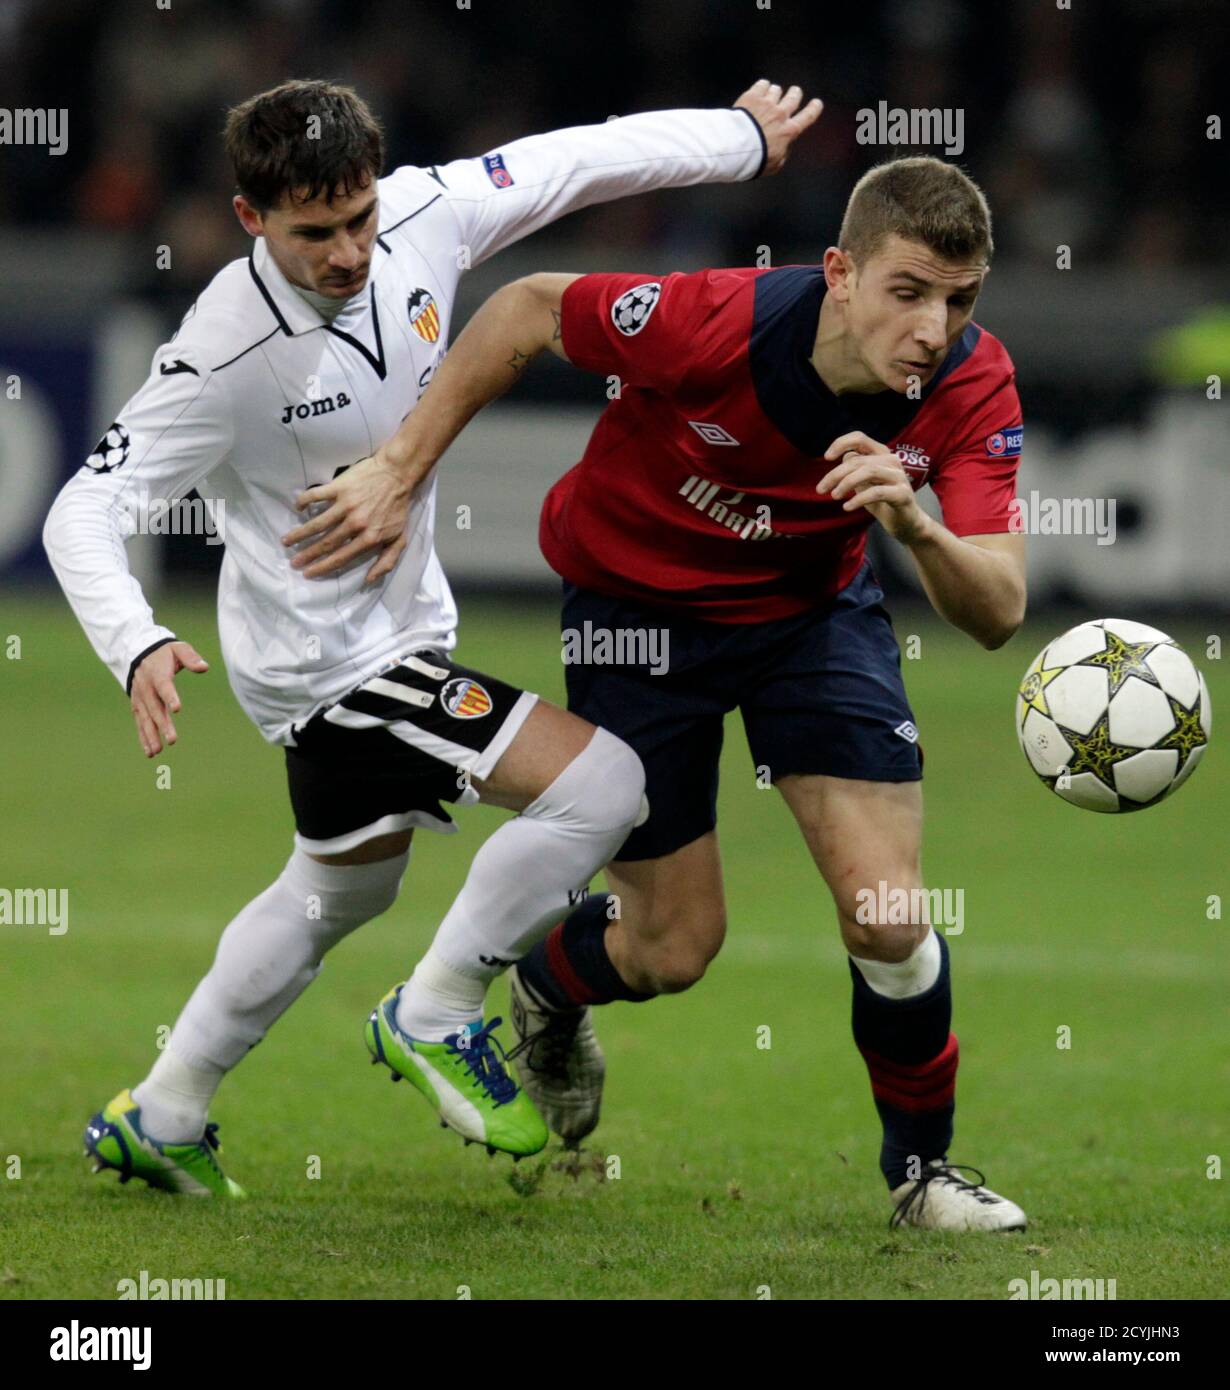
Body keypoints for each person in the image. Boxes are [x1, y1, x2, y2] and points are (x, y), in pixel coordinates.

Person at [43, 77, 822, 1196]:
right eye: (315, 233)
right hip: (327, 667)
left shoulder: (423, 212)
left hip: (398, 635)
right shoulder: (219, 352)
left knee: (336, 892)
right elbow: (84, 508)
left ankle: (161, 1111)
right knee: (603, 785)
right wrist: (135, 640)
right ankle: (439, 1007)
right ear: (251, 218)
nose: (351, 250)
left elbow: (574, 158)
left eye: (359, 218)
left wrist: (739, 141)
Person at [308, 155, 1030, 1231]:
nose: (935, 327)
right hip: (639, 611)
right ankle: (550, 987)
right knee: (674, 947)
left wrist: (916, 526)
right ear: (840, 272)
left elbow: (1000, 609)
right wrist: (401, 469)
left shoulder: (973, 385)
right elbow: (525, 309)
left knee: (887, 915)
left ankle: (923, 1173)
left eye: (959, 300)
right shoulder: (713, 320)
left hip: (808, 618)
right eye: (909, 290)